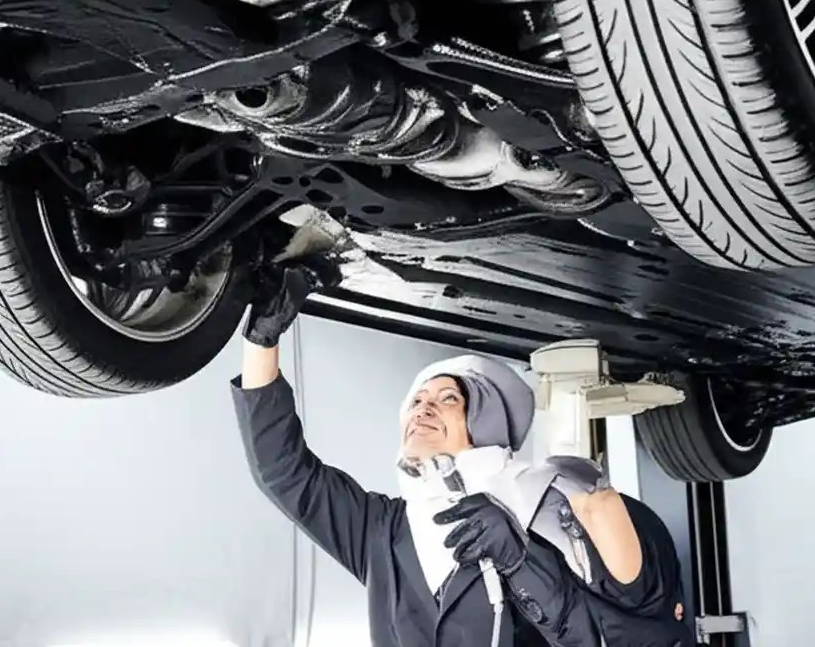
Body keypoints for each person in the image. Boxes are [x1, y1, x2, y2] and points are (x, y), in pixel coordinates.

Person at [231, 257, 694, 647]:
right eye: (416, 401)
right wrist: (262, 340)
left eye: (447, 399)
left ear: (484, 423)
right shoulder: (383, 532)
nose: (422, 408)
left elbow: (628, 635)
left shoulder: (559, 507)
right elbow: (283, 471)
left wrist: (521, 560)